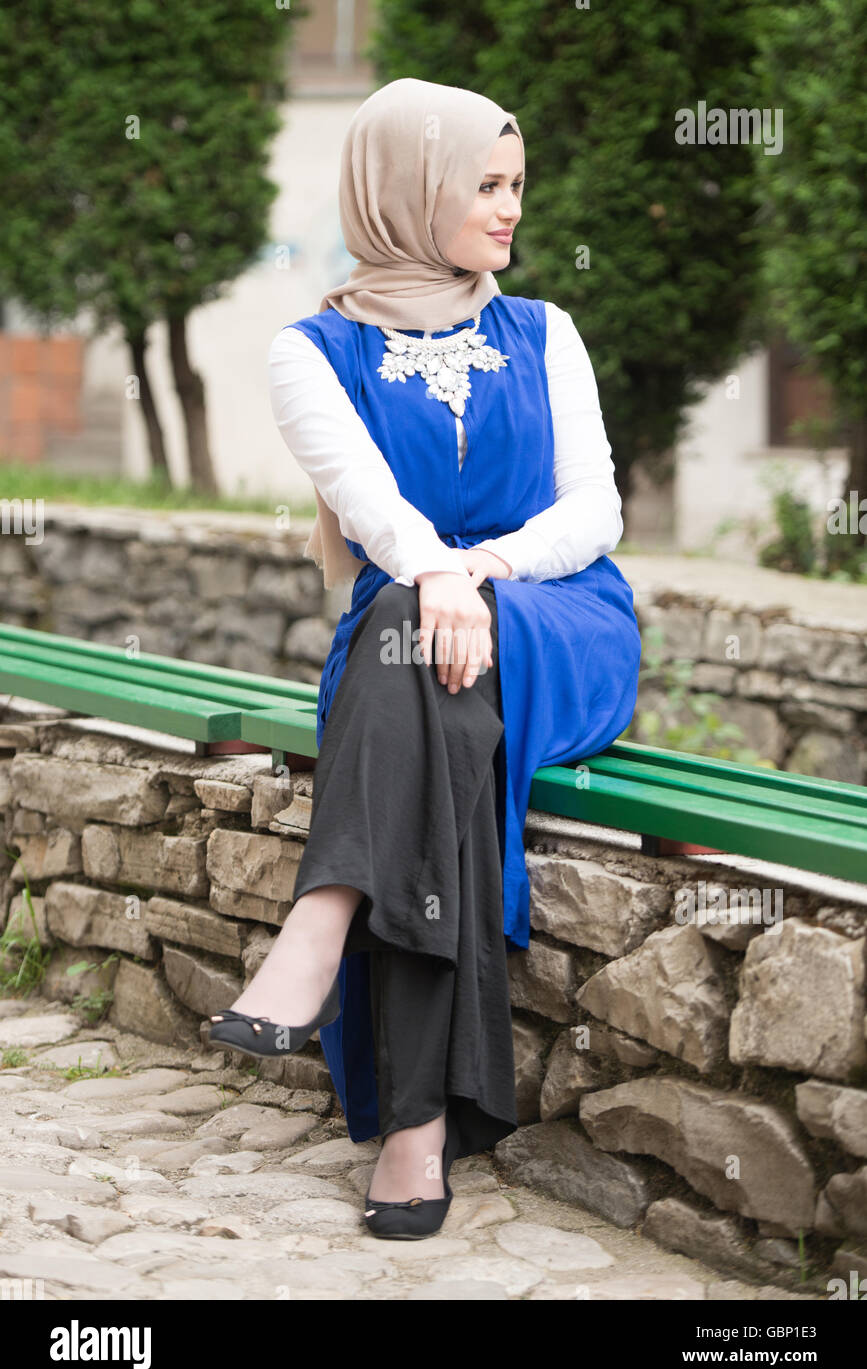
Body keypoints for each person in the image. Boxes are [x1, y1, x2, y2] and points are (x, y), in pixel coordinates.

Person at [207, 77, 642, 1240]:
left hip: (558, 619)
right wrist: (434, 579)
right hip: (412, 637)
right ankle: (420, 1127)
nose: (510, 209)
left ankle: (321, 927)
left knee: (420, 637)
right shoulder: (311, 353)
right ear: (408, 188)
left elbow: (594, 513)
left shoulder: (544, 332)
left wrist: (475, 572)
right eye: (484, 185)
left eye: (516, 185)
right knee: (427, 688)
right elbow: (371, 508)